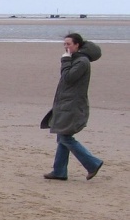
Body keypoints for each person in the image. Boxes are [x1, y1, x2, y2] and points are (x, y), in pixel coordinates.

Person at [41, 33, 104, 181]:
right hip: (65, 104)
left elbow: (68, 78)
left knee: (65, 137)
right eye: (65, 44)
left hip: (72, 105)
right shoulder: (76, 60)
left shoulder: (81, 61)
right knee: (61, 137)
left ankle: (92, 164)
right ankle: (59, 171)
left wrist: (65, 60)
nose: (66, 47)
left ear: (77, 45)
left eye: (68, 44)